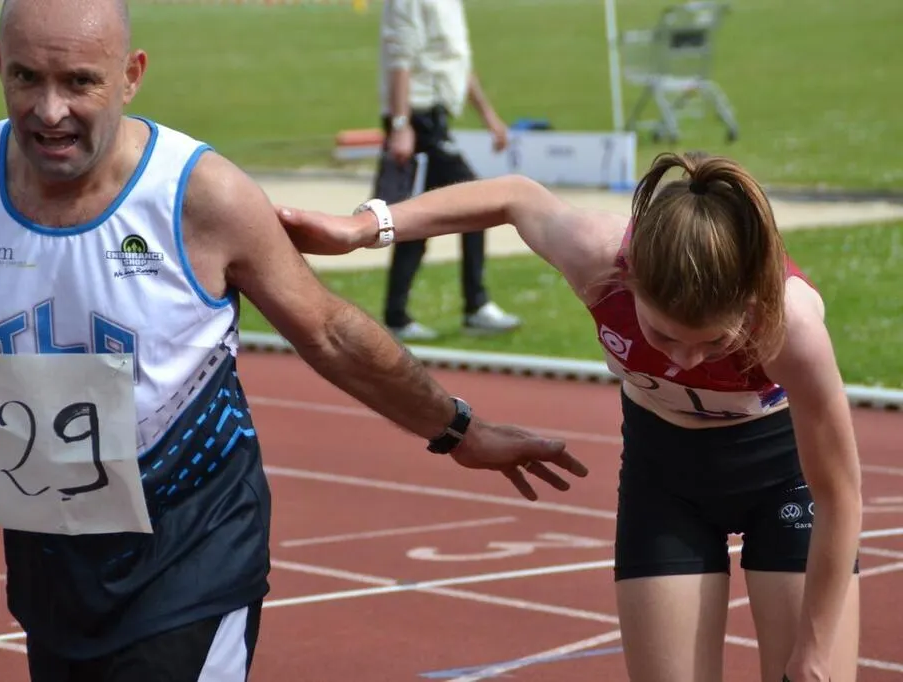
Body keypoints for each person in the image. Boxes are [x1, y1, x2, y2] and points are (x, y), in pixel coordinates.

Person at [0, 1, 590, 681]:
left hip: (196, 552)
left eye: (80, 82)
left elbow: (329, 331)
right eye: (26, 78)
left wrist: (459, 428)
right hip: (51, 570)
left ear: (131, 75)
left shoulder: (201, 196)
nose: (50, 110)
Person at [276, 153, 864, 682]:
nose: (684, 360)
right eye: (662, 334)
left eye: (712, 345)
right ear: (628, 276)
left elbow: (839, 495)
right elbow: (513, 195)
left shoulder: (791, 327)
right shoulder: (595, 254)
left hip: (783, 478)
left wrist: (812, 654)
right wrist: (362, 229)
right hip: (666, 477)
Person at [374, 0, 521, 341]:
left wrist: (489, 116)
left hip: (436, 116)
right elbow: (400, 57)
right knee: (476, 201)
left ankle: (399, 314)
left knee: (417, 218)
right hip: (417, 119)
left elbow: (455, 63)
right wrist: (400, 125)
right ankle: (475, 305)